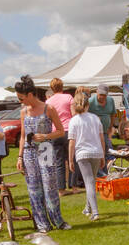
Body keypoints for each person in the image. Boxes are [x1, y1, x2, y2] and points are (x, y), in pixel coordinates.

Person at [13, 75, 69, 232]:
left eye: (21, 98)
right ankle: (42, 224)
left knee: (50, 186)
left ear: (30, 95)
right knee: (34, 189)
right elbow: (23, 135)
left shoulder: (48, 109)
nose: (20, 101)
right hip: (29, 152)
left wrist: (45, 136)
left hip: (46, 149)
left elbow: (60, 131)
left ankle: (58, 220)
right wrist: (19, 156)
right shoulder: (24, 111)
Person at [66, 91, 105, 221]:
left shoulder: (74, 121)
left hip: (82, 153)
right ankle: (88, 208)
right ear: (88, 105)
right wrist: (103, 156)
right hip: (96, 152)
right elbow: (101, 138)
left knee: (89, 183)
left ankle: (95, 212)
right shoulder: (95, 118)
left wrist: (70, 159)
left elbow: (72, 142)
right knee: (91, 182)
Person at [45, 78, 75, 191]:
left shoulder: (48, 102)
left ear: (52, 88)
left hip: (55, 133)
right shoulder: (68, 97)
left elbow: (47, 119)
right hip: (68, 130)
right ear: (62, 86)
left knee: (59, 162)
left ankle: (61, 189)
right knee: (72, 159)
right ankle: (73, 186)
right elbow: (73, 114)